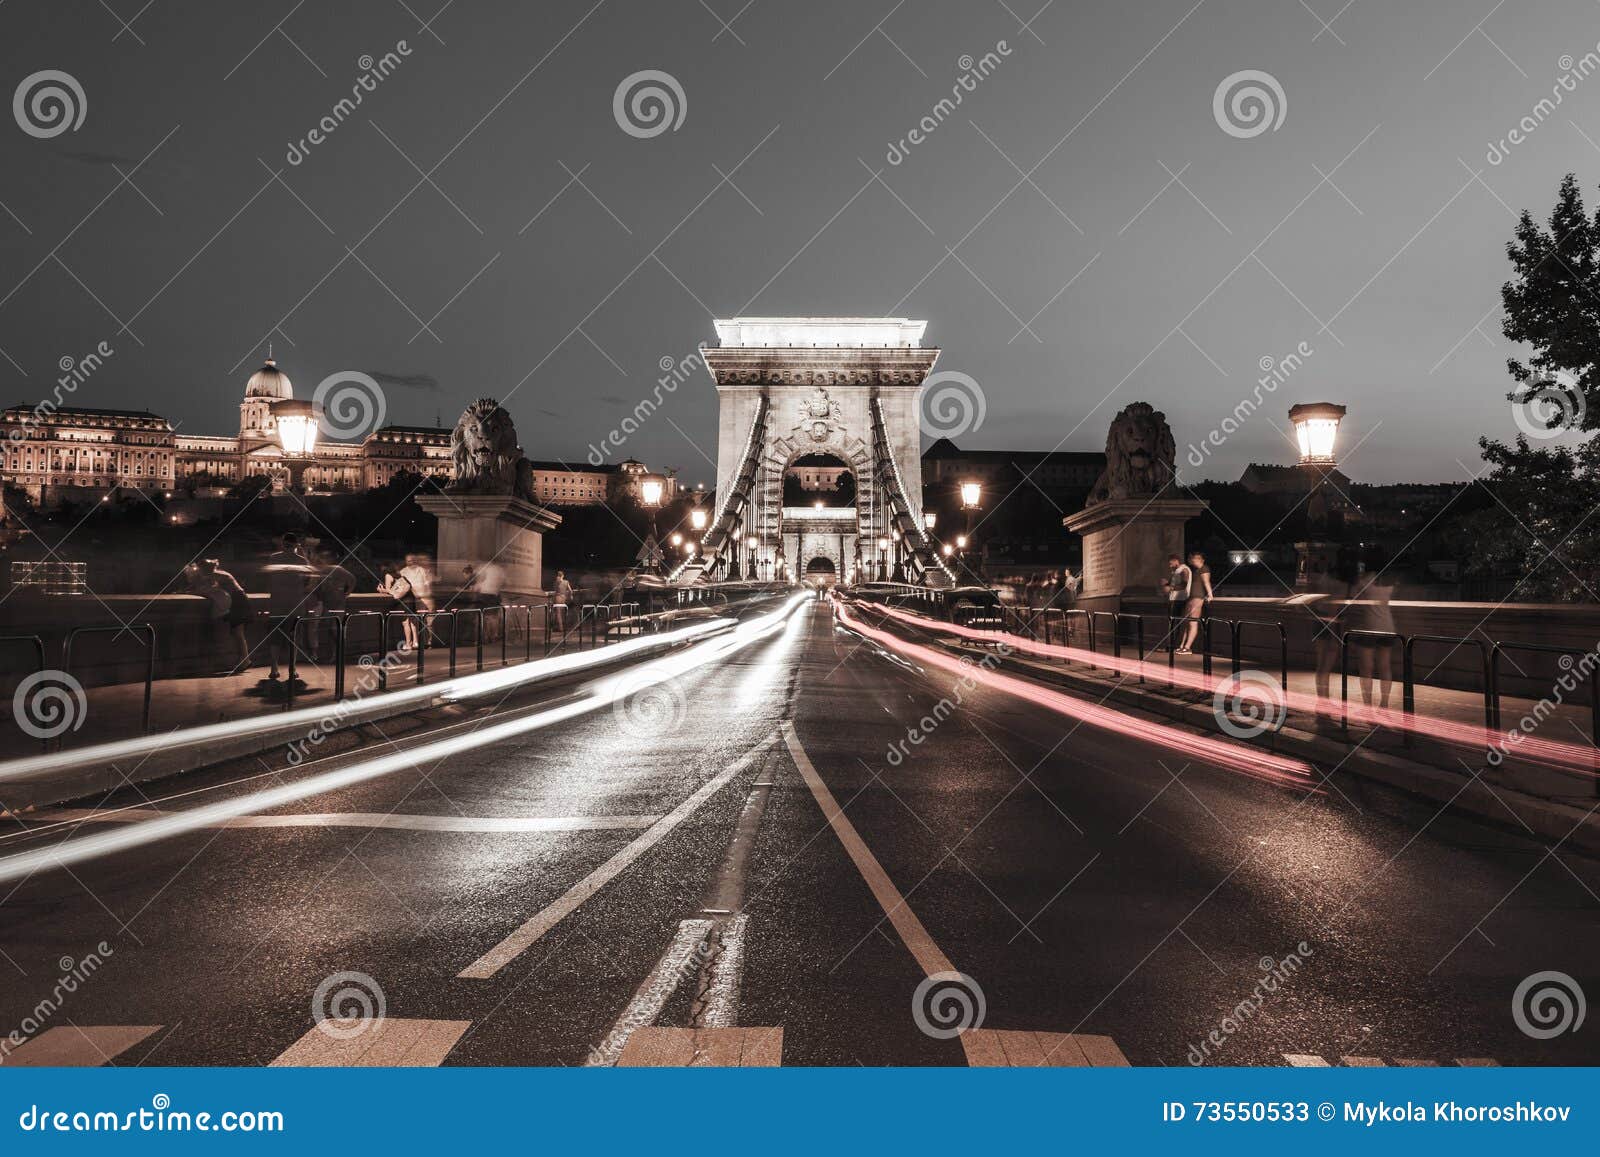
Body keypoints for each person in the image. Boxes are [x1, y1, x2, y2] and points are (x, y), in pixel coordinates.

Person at [263, 533, 315, 682]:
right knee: (294, 638)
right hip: (295, 605)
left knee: (275, 638)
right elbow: (308, 580)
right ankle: (292, 670)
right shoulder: (301, 560)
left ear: (282, 543)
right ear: (296, 545)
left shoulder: (273, 558)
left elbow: (268, 580)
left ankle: (274, 669)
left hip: (277, 604)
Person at [1346, 565, 1397, 709]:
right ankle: (1384, 703)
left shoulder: (1362, 582)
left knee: (1366, 668)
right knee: (1385, 667)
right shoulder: (1389, 581)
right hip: (1388, 627)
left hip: (1368, 627)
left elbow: (1352, 603)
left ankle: (1367, 705)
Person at [196, 558, 251, 673]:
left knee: (238, 632)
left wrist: (188, 591)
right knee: (237, 632)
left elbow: (206, 589)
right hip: (238, 599)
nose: (198, 571)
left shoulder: (215, 575)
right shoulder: (218, 574)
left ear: (204, 568)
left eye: (199, 569)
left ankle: (245, 660)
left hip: (238, 600)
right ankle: (244, 660)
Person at [311, 548, 356, 662]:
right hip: (329, 603)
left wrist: (347, 592)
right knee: (332, 630)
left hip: (337, 604)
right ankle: (335, 654)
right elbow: (352, 580)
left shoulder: (336, 569)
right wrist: (347, 592)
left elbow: (352, 579)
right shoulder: (323, 570)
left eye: (322, 558)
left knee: (335, 630)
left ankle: (338, 654)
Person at [1178, 550, 1214, 654]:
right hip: (1191, 598)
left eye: (1196, 558)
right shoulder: (1194, 571)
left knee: (1193, 622)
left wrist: (1210, 595)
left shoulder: (1204, 568)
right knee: (1186, 622)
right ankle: (1182, 646)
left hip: (1198, 597)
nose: (1194, 560)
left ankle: (1188, 647)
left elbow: (1206, 582)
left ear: (1202, 560)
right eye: (1193, 558)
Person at [379, 561, 418, 652]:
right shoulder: (399, 575)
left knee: (405, 623)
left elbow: (390, 591)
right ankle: (416, 642)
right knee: (412, 621)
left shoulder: (388, 575)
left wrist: (381, 590)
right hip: (410, 598)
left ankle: (408, 644)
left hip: (403, 600)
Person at [1161, 554, 1191, 652]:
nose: (1169, 565)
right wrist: (1166, 584)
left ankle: (1171, 646)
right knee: (1172, 622)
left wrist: (1170, 587)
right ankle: (1170, 646)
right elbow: (1172, 585)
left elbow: (1184, 584)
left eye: (1171, 563)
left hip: (1180, 600)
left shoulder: (1184, 570)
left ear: (1176, 561)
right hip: (1174, 599)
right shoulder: (1176, 571)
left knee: (1174, 623)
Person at [550, 569, 573, 637]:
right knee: (563, 612)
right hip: (564, 598)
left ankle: (560, 628)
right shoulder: (566, 582)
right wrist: (570, 596)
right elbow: (570, 590)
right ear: (563, 575)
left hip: (558, 597)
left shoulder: (556, 582)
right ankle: (563, 626)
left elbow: (555, 591)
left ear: (557, 575)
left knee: (558, 613)